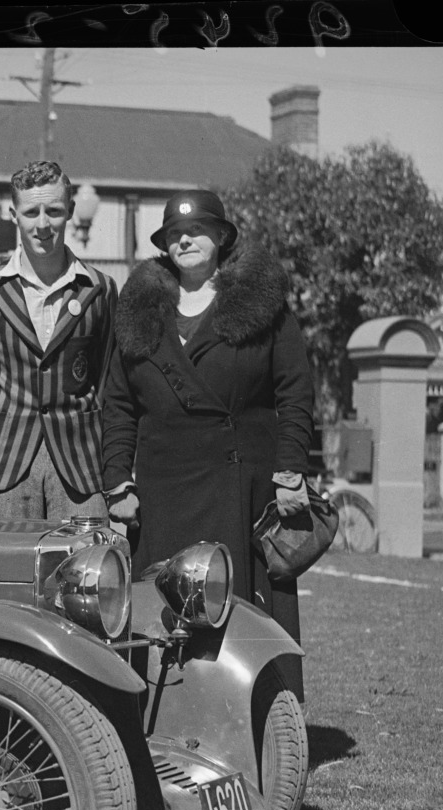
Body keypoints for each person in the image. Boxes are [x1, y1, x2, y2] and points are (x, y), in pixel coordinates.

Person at [100, 188, 314, 681]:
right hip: (161, 493)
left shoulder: (264, 305)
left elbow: (296, 390)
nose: (185, 240)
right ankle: (161, 726)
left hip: (240, 489)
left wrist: (290, 469)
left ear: (221, 236)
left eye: (196, 230)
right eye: (174, 234)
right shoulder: (138, 309)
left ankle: (262, 727)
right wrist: (117, 481)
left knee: (240, 613)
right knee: (161, 615)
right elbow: (116, 403)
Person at [0, 160, 118, 521]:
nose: (42, 225)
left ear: (71, 212)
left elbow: (108, 380)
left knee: (85, 571)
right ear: (14, 215)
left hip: (80, 467)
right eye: (31, 212)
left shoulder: (100, 289)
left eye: (54, 211)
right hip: (6, 464)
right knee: (8, 575)